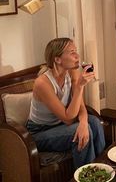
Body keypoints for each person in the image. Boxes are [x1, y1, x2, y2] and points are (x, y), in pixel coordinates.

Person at [26, 37, 105, 169]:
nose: (77, 56)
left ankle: (102, 170)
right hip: (38, 133)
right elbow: (68, 119)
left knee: (94, 123)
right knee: (80, 132)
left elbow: (80, 106)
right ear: (57, 59)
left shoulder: (72, 71)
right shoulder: (43, 83)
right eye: (72, 52)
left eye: (76, 51)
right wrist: (80, 86)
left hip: (59, 124)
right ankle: (87, 177)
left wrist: (84, 123)